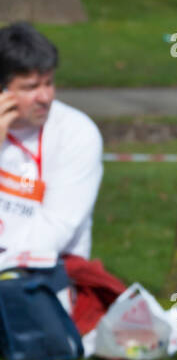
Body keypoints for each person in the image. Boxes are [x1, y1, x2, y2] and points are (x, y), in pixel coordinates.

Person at [0, 22, 103, 273]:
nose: (45, 97)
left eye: (49, 83)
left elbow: (54, 232)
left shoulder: (76, 132)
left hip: (43, 274)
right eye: (31, 87)